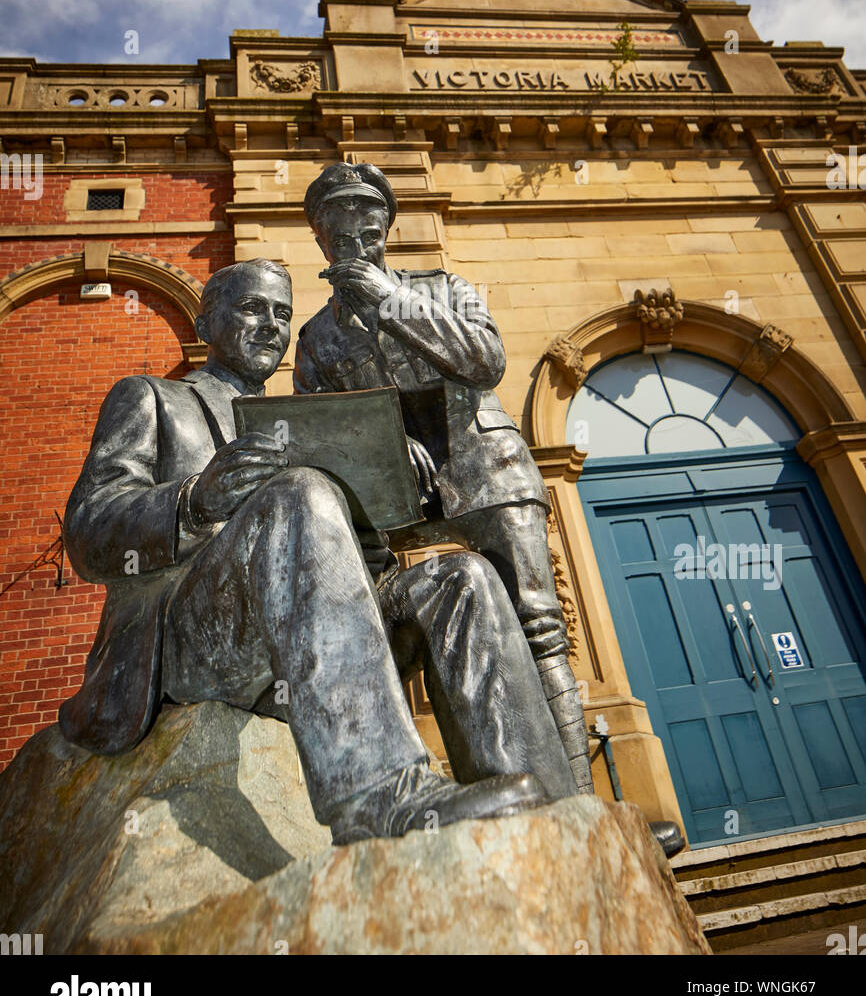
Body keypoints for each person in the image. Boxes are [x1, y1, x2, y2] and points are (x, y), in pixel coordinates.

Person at [60, 258, 577, 845]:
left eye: (282, 314)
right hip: (192, 636)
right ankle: (375, 792)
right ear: (205, 325)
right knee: (299, 492)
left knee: (462, 578)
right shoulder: (152, 399)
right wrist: (194, 500)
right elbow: (87, 529)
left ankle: (554, 814)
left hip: (306, 639)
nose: (272, 326)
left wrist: (376, 507)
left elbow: (339, 558)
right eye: (251, 308)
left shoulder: (309, 419)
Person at [294, 163, 594, 794]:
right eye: (341, 239)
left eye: (368, 235)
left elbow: (484, 361)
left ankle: (580, 803)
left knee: (539, 627)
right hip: (395, 499)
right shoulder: (315, 336)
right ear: (321, 243)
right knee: (386, 633)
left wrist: (389, 302)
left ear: (385, 233)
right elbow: (318, 430)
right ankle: (442, 791)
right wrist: (382, 442)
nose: (356, 249)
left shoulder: (444, 288)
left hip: (486, 470)